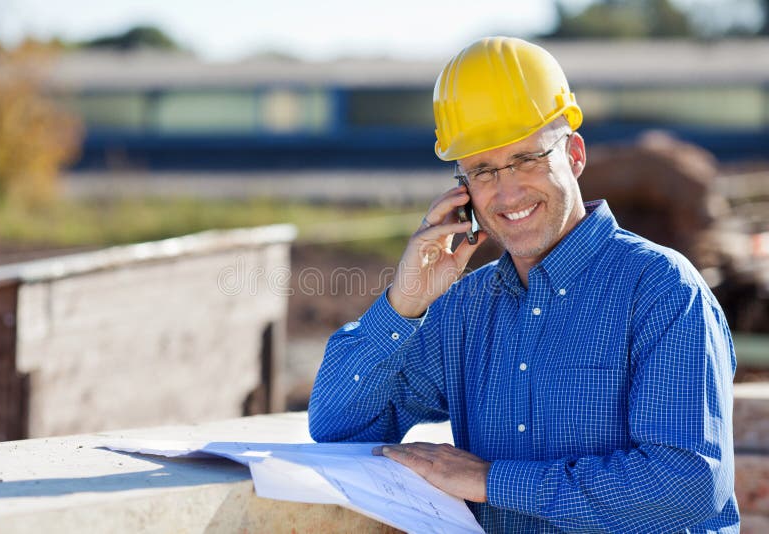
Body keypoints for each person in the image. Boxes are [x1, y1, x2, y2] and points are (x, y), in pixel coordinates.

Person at [308, 36, 739, 533]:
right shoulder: (467, 306)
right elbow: (339, 426)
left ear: (574, 155)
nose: (507, 191)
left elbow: (686, 484)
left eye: (526, 159)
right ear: (461, 191)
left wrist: (491, 481)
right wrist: (403, 304)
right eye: (483, 170)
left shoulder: (661, 290)